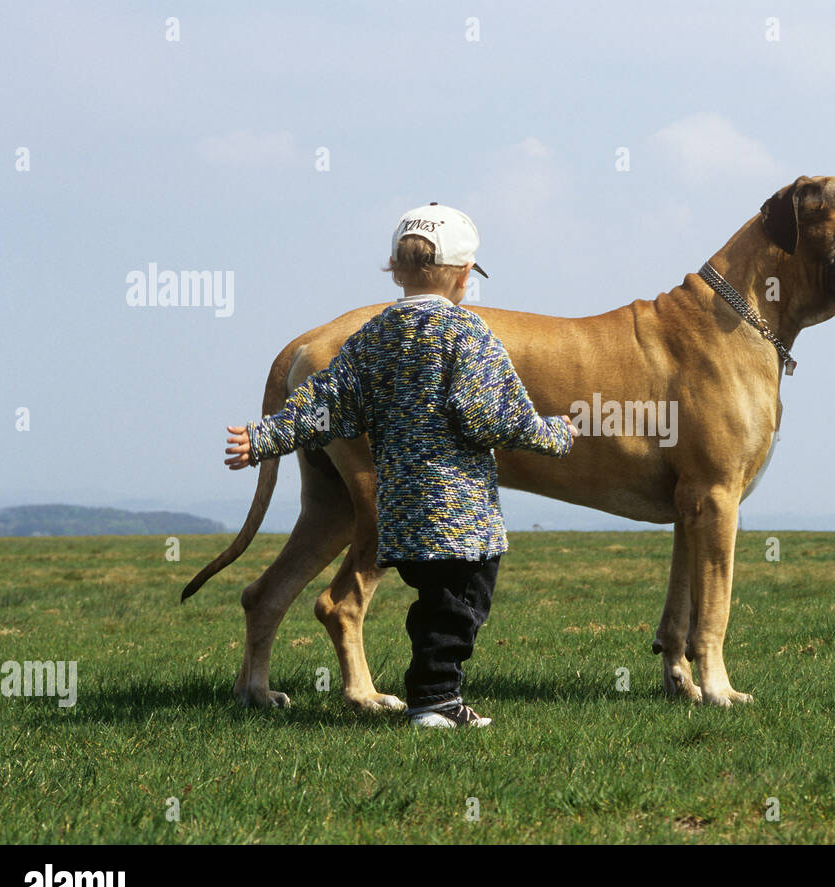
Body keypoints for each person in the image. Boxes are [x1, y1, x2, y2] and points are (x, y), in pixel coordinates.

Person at [223, 203, 577, 728]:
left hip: (400, 521)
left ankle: (434, 697)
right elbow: (490, 417)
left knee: (437, 604)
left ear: (394, 270)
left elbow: (328, 402)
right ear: (464, 277)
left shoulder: (371, 338)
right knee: (458, 608)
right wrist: (554, 436)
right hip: (461, 521)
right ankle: (434, 703)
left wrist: (266, 436)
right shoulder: (470, 337)